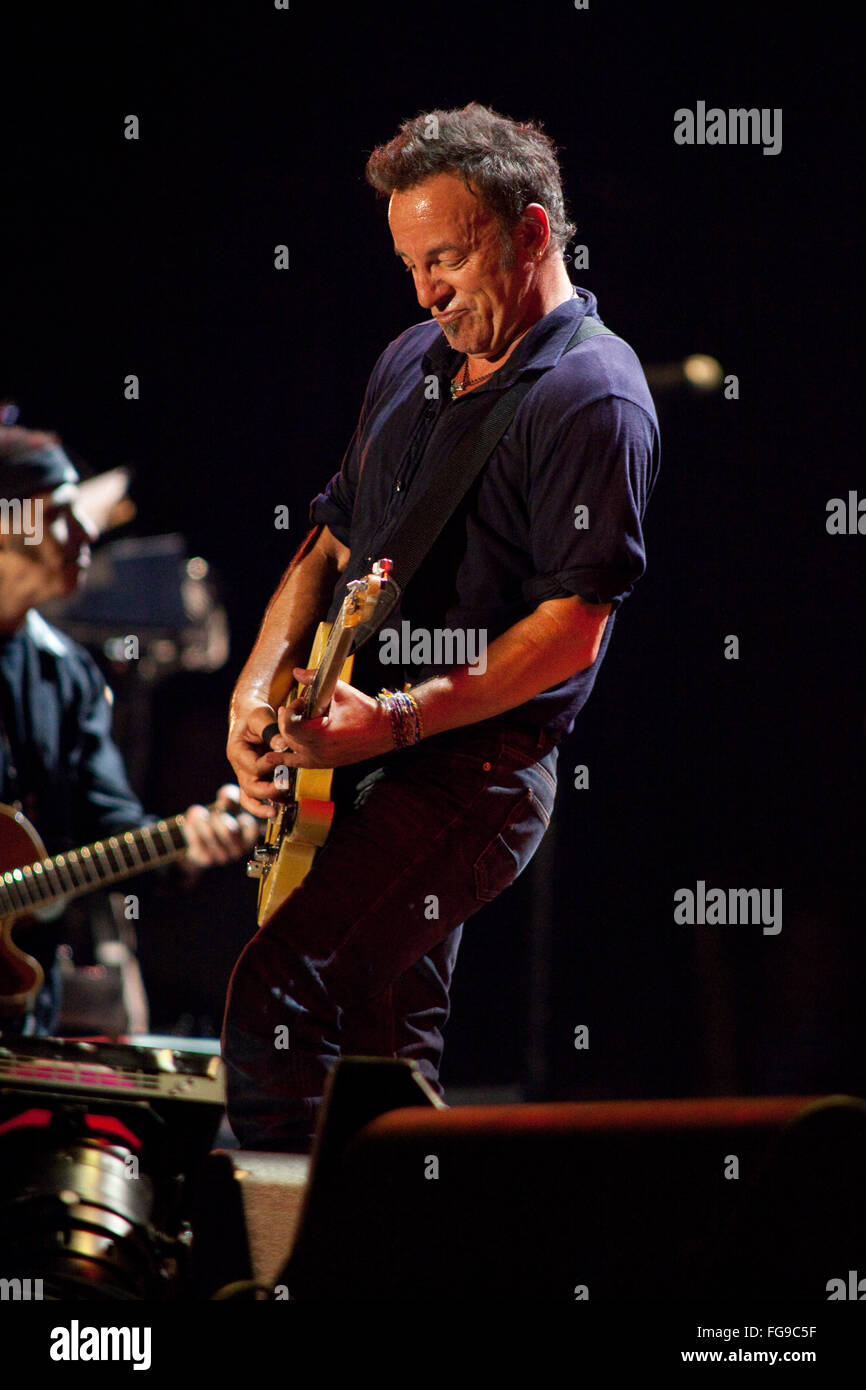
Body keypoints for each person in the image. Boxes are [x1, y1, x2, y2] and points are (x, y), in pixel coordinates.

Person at [223, 103, 660, 1150]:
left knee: (280, 994)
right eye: (411, 263)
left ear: (531, 234)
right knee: (380, 1056)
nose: (425, 290)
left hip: (475, 779)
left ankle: (272, 1268)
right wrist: (254, 687)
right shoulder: (408, 361)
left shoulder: (592, 394)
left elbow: (572, 626)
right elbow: (328, 545)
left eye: (447, 258)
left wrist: (401, 721)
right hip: (356, 766)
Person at [0, 423, 257, 1035]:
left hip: (19, 1009)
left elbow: (110, 827)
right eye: (61, 513)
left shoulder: (68, 675)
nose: (88, 532)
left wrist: (185, 847)